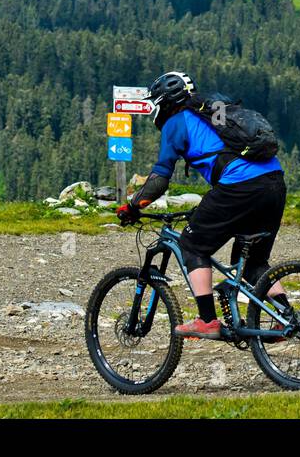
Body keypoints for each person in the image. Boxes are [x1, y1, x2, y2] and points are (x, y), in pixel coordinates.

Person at [116, 71, 289, 340]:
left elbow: (159, 179)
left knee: (192, 244)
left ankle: (207, 320)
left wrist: (134, 206)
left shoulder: (176, 122)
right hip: (275, 184)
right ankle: (286, 318)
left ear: (164, 100)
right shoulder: (213, 111)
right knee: (254, 262)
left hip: (239, 186)